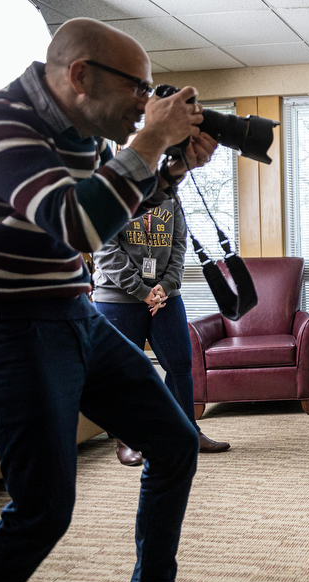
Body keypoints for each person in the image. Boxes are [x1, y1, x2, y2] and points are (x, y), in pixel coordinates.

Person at [0, 18, 233, 582]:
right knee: (42, 510)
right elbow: (76, 225)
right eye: (137, 87)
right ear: (81, 76)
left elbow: (112, 212)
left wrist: (167, 172)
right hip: (6, 325)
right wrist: (148, 141)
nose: (146, 101)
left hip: (73, 312)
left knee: (174, 442)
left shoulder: (82, 133)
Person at [93, 181, 230, 466]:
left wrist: (166, 286)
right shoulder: (111, 194)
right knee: (123, 370)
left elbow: (179, 245)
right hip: (117, 296)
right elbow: (105, 252)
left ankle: (187, 432)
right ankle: (128, 439)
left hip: (164, 294)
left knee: (180, 363)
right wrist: (142, 291)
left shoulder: (170, 197)